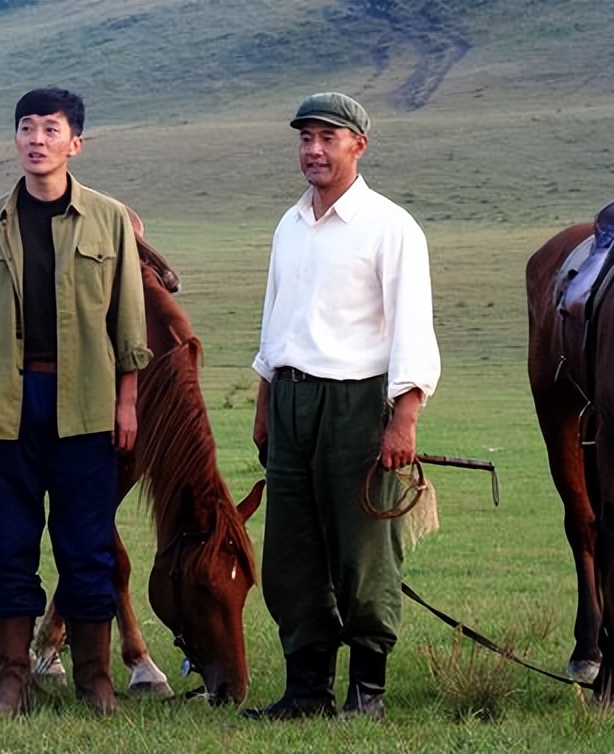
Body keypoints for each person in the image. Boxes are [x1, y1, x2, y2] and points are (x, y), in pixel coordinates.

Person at [0, 87, 152, 717]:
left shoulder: (110, 219)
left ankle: (95, 679)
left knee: (86, 543)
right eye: (26, 128)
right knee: (6, 544)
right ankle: (13, 677)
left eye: (51, 129)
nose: (37, 139)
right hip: (9, 402)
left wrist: (127, 401)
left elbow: (128, 323)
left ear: (75, 142)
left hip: (87, 403)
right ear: (15, 139)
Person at [245, 92, 441, 721]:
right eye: (305, 138)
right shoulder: (289, 224)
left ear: (359, 145)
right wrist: (264, 405)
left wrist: (404, 417)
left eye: (328, 137)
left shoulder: (390, 226)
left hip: (360, 403)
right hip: (292, 398)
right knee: (290, 554)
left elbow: (412, 328)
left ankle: (367, 694)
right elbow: (275, 324)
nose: (313, 149)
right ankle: (306, 691)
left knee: (364, 552)